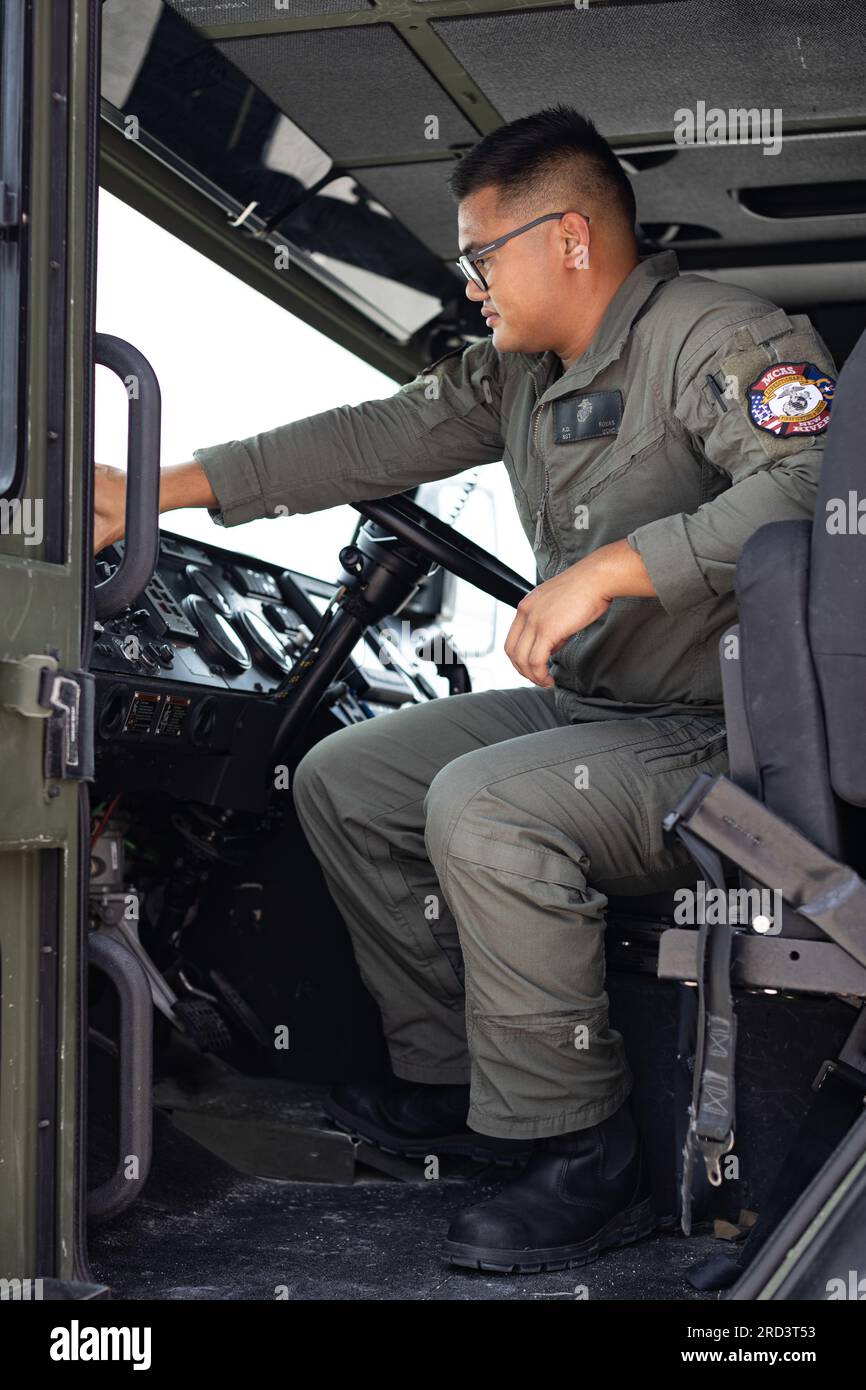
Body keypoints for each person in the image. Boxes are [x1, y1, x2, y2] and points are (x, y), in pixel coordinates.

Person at [94, 105, 836, 1273]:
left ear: (570, 240)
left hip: (722, 739)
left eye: (481, 255)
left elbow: (810, 485)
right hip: (602, 711)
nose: (472, 280)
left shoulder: (723, 340)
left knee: (485, 809)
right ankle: (456, 1088)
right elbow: (368, 436)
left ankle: (586, 1161)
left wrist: (613, 567)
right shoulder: (521, 375)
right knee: (348, 778)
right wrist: (148, 489)